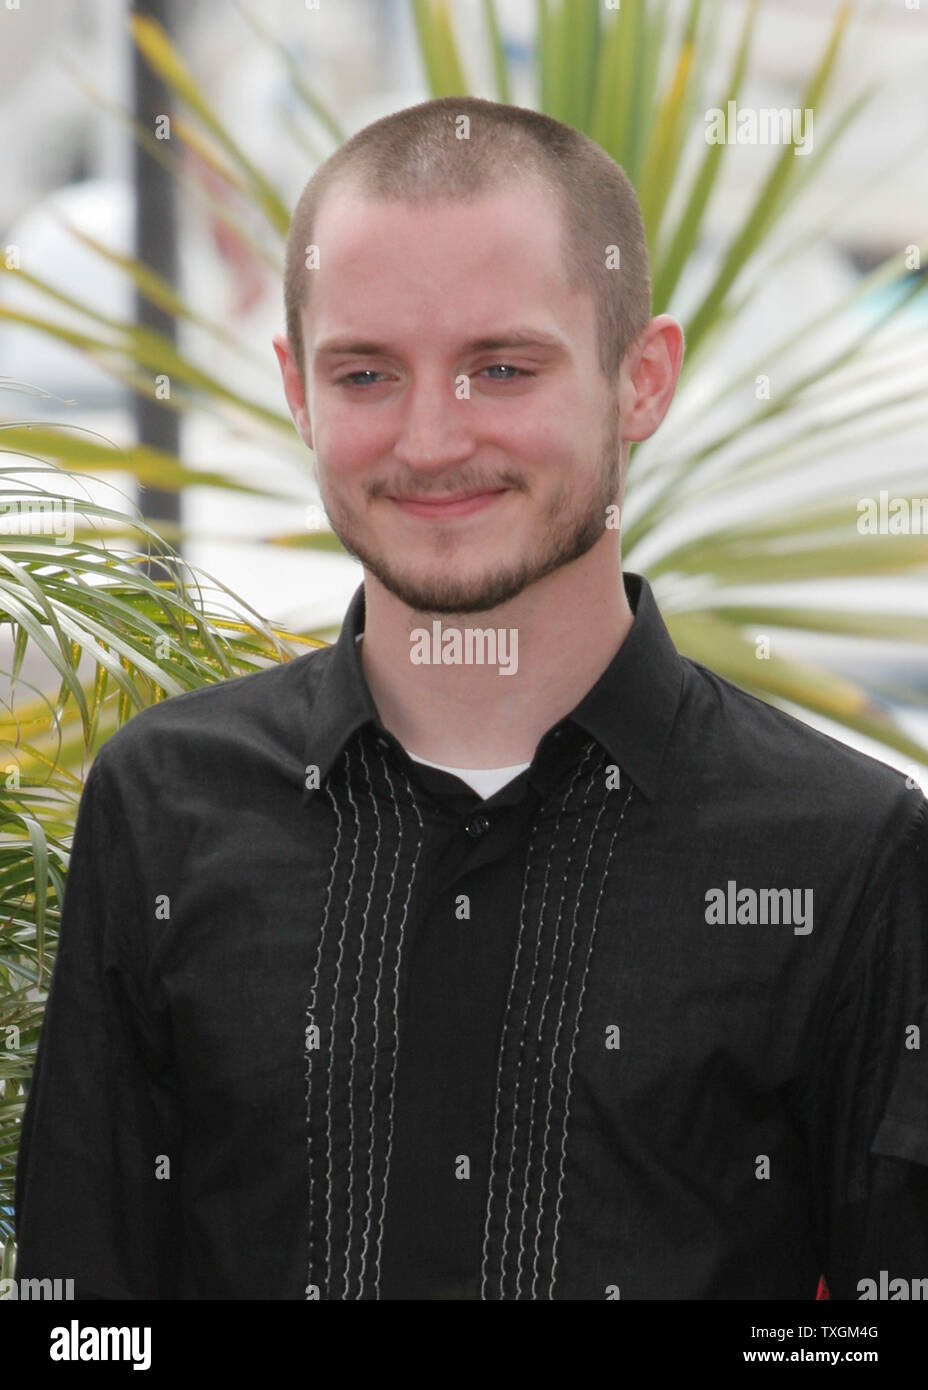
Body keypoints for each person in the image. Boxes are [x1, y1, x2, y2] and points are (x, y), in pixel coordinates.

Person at [14, 96, 928, 1300]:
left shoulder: (844, 849)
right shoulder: (164, 803)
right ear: (297, 390)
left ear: (640, 379)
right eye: (366, 372)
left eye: (501, 367)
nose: (431, 439)